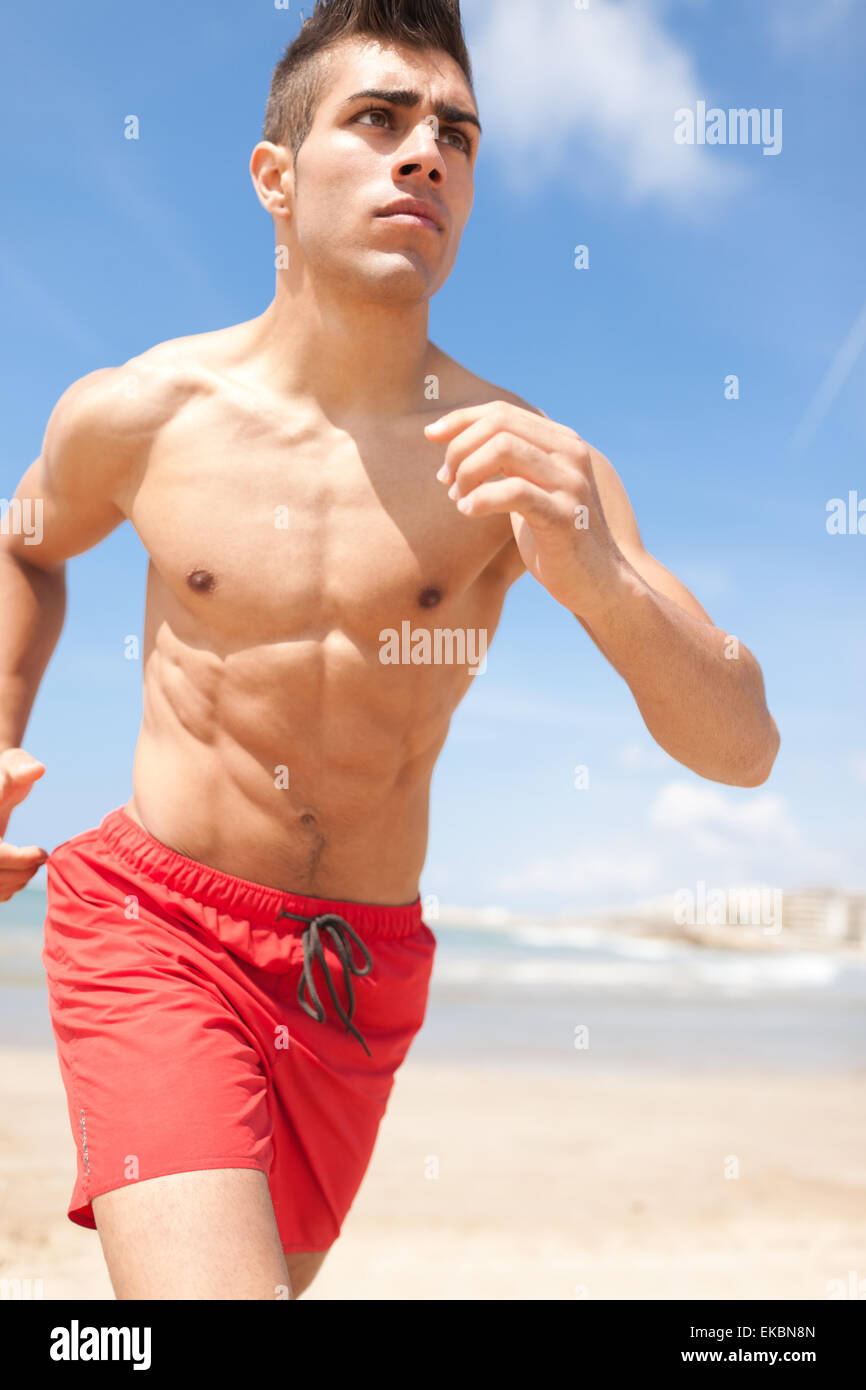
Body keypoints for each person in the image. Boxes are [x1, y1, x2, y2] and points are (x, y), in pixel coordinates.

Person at [0, 0, 779, 1301]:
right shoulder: (141, 415)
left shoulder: (536, 460)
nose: (424, 153)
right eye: (377, 119)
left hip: (359, 968)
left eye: (454, 135)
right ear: (275, 173)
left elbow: (741, 745)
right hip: (155, 922)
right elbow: (26, 545)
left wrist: (590, 574)